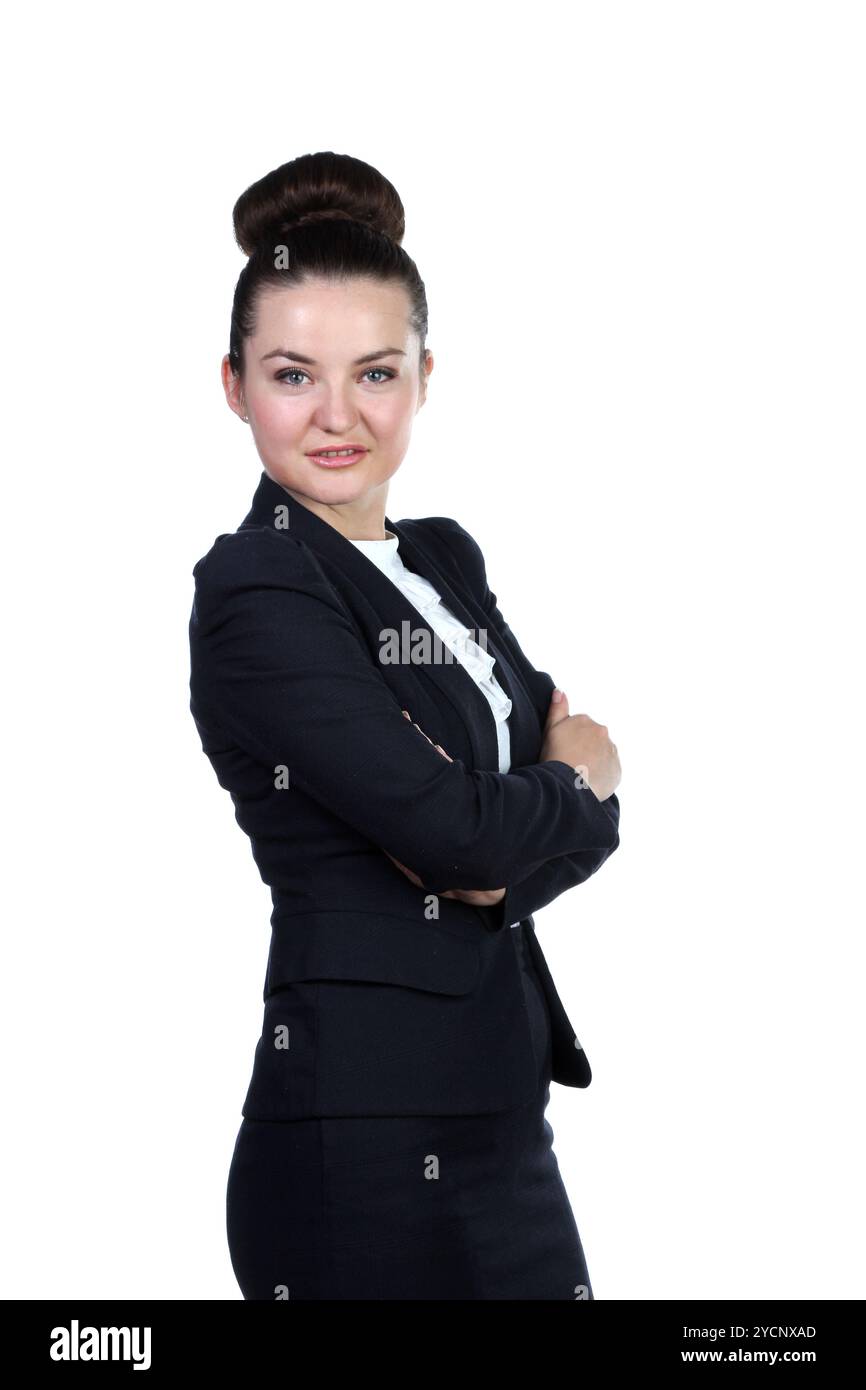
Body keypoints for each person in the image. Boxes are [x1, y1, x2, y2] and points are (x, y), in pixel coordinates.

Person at [189, 150, 622, 1300]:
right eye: (292, 375)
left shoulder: (441, 557)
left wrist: (534, 810)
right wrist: (552, 789)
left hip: (499, 1113)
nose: (338, 417)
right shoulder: (258, 593)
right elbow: (473, 836)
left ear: (425, 376)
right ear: (232, 383)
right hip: (361, 1147)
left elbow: (515, 831)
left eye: (375, 373)